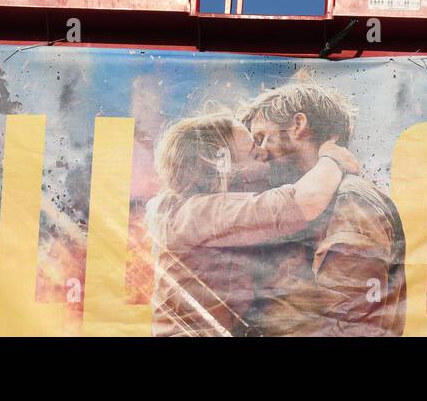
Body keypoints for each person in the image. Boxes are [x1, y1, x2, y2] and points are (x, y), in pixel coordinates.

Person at [145, 113, 360, 337]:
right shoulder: (202, 212)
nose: (264, 154)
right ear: (222, 166)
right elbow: (305, 201)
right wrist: (332, 158)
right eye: (253, 151)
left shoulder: (189, 211)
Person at [240, 83, 407, 336]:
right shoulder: (309, 200)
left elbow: (350, 323)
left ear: (299, 125)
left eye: (262, 138)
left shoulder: (350, 200)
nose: (260, 153)